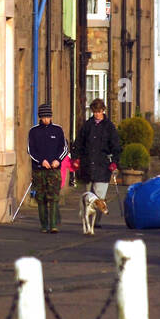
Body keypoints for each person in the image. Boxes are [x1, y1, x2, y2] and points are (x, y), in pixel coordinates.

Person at [72, 98, 121, 234]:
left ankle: (96, 222)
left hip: (102, 166)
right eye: (95, 112)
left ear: (103, 111)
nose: (97, 114)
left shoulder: (109, 127)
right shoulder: (87, 126)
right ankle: (86, 220)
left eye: (99, 112)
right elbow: (79, 143)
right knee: (88, 196)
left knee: (99, 197)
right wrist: (76, 158)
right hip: (88, 166)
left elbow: (116, 146)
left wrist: (114, 162)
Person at [27, 102, 68, 233]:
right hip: (39, 171)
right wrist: (41, 161)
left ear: (51, 116)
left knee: (54, 197)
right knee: (41, 198)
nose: (46, 120)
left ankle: (54, 225)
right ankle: (44, 225)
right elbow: (30, 150)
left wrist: (58, 160)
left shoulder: (58, 130)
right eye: (44, 117)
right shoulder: (33, 131)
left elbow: (64, 148)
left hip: (54, 170)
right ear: (40, 117)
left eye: (48, 117)